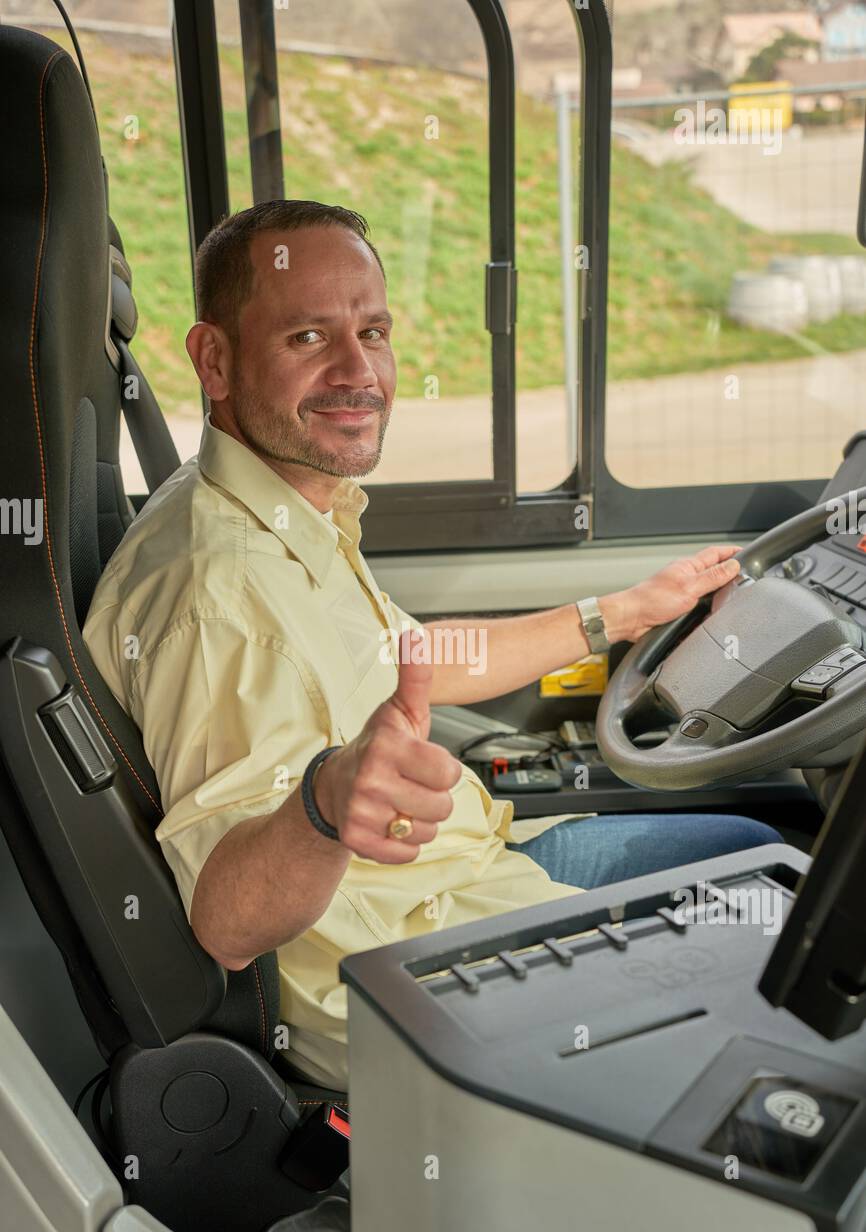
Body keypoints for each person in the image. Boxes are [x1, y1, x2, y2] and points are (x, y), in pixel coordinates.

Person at [83, 200, 782, 1088]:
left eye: (372, 331)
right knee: (782, 936)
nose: (358, 372)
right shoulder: (217, 593)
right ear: (213, 360)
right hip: (429, 967)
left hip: (464, 870)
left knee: (757, 850)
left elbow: (417, 661)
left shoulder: (278, 510)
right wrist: (325, 804)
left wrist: (626, 610)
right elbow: (225, 920)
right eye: (307, 337)